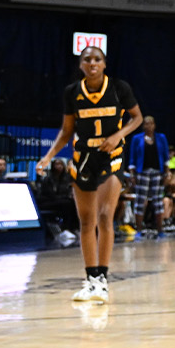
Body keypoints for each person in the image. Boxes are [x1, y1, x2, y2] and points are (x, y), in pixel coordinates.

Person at [39, 45, 143, 305]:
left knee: (106, 216)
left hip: (113, 155)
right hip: (83, 157)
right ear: (81, 65)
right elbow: (66, 132)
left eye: (97, 59)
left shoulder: (119, 88)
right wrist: (48, 157)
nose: (92, 63)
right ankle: (91, 281)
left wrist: (119, 134)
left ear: (104, 63)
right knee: (87, 222)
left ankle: (104, 281)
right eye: (87, 59)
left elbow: (137, 118)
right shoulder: (72, 92)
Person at [126, 116, 170, 236]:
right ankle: (139, 230)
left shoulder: (161, 138)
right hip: (142, 173)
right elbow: (132, 158)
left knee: (158, 201)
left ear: (154, 125)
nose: (148, 126)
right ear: (143, 126)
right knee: (140, 201)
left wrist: (167, 174)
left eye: (151, 123)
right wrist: (132, 175)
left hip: (157, 173)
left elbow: (166, 157)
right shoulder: (137, 139)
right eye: (146, 124)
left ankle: (160, 230)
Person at [33, 157, 79, 247]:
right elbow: (49, 194)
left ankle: (73, 227)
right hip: (48, 201)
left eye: (61, 164)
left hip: (62, 201)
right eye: (57, 164)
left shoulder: (66, 178)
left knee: (72, 204)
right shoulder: (47, 179)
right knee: (67, 204)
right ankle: (68, 227)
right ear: (53, 166)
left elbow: (66, 192)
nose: (59, 166)